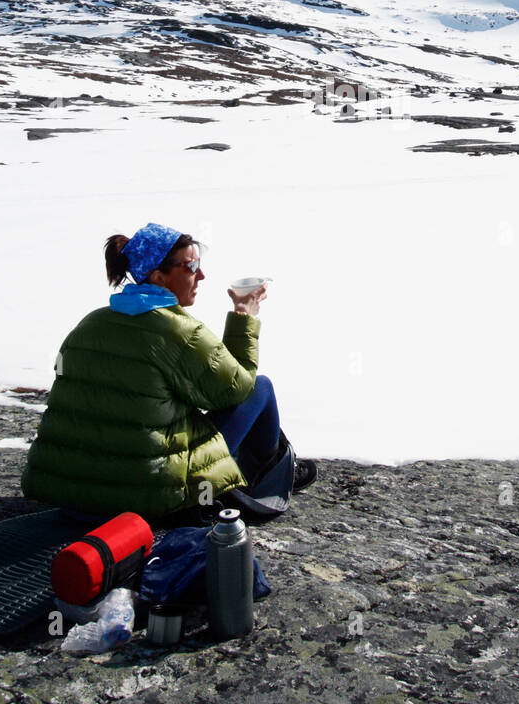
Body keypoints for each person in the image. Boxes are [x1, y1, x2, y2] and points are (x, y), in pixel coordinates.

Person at [21, 222, 317, 521]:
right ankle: (270, 473)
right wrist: (244, 316)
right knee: (260, 387)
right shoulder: (176, 330)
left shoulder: (89, 324)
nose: (201, 275)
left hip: (67, 488)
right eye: (192, 266)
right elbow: (235, 389)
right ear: (158, 275)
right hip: (150, 493)